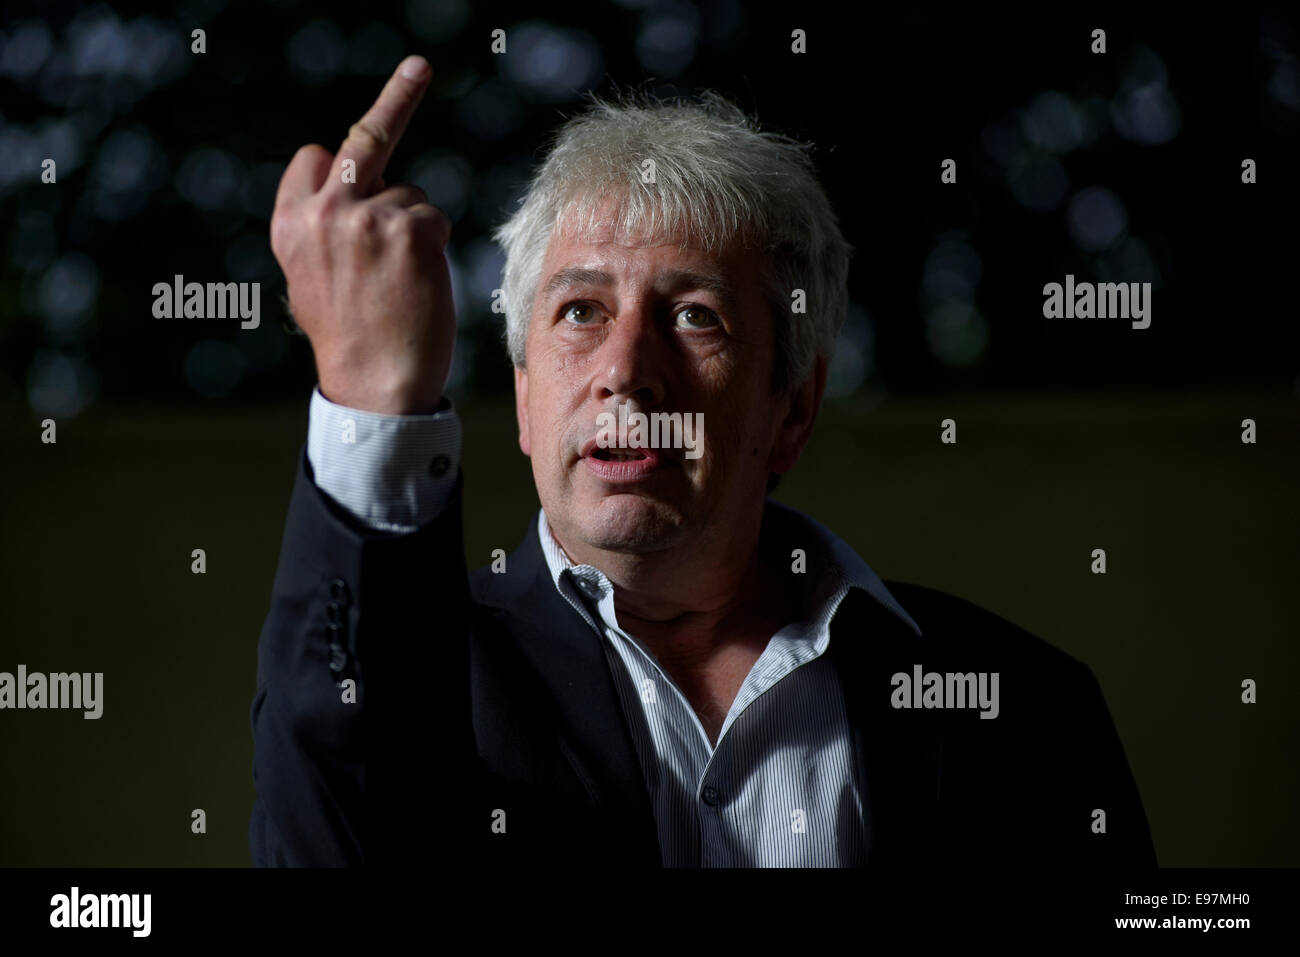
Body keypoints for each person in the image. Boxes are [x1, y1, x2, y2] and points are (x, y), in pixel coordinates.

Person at [249, 55, 1156, 868]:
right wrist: (371, 396)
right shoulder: (408, 673)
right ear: (524, 398)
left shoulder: (1027, 705)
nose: (627, 374)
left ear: (792, 404)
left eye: (695, 316)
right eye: (580, 311)